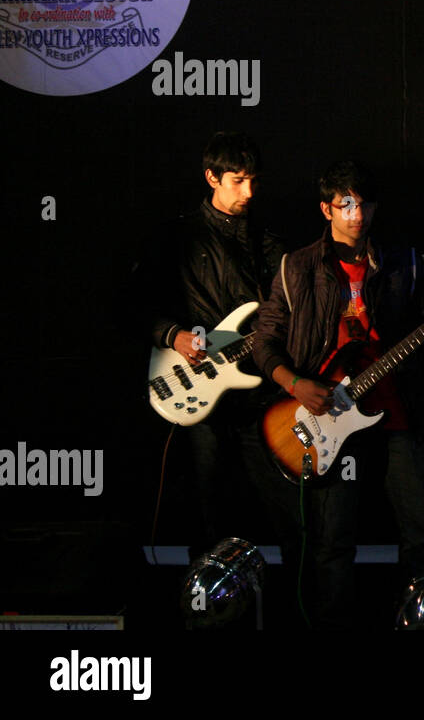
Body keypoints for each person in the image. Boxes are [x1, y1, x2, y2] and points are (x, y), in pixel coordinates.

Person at [252, 159, 424, 628]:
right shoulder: (296, 267)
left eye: (365, 203)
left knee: (422, 536)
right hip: (327, 415)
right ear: (326, 209)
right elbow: (264, 340)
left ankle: (418, 621)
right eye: (345, 203)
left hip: (394, 415)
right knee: (332, 543)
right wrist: (294, 382)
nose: (357, 213)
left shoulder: (403, 261)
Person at [143, 131, 286, 560]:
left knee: (281, 508)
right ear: (212, 177)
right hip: (196, 392)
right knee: (209, 516)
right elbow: (130, 304)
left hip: (255, 392)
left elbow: (284, 311)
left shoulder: (268, 243)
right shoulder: (175, 238)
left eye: (254, 181)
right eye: (238, 180)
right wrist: (173, 335)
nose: (249, 191)